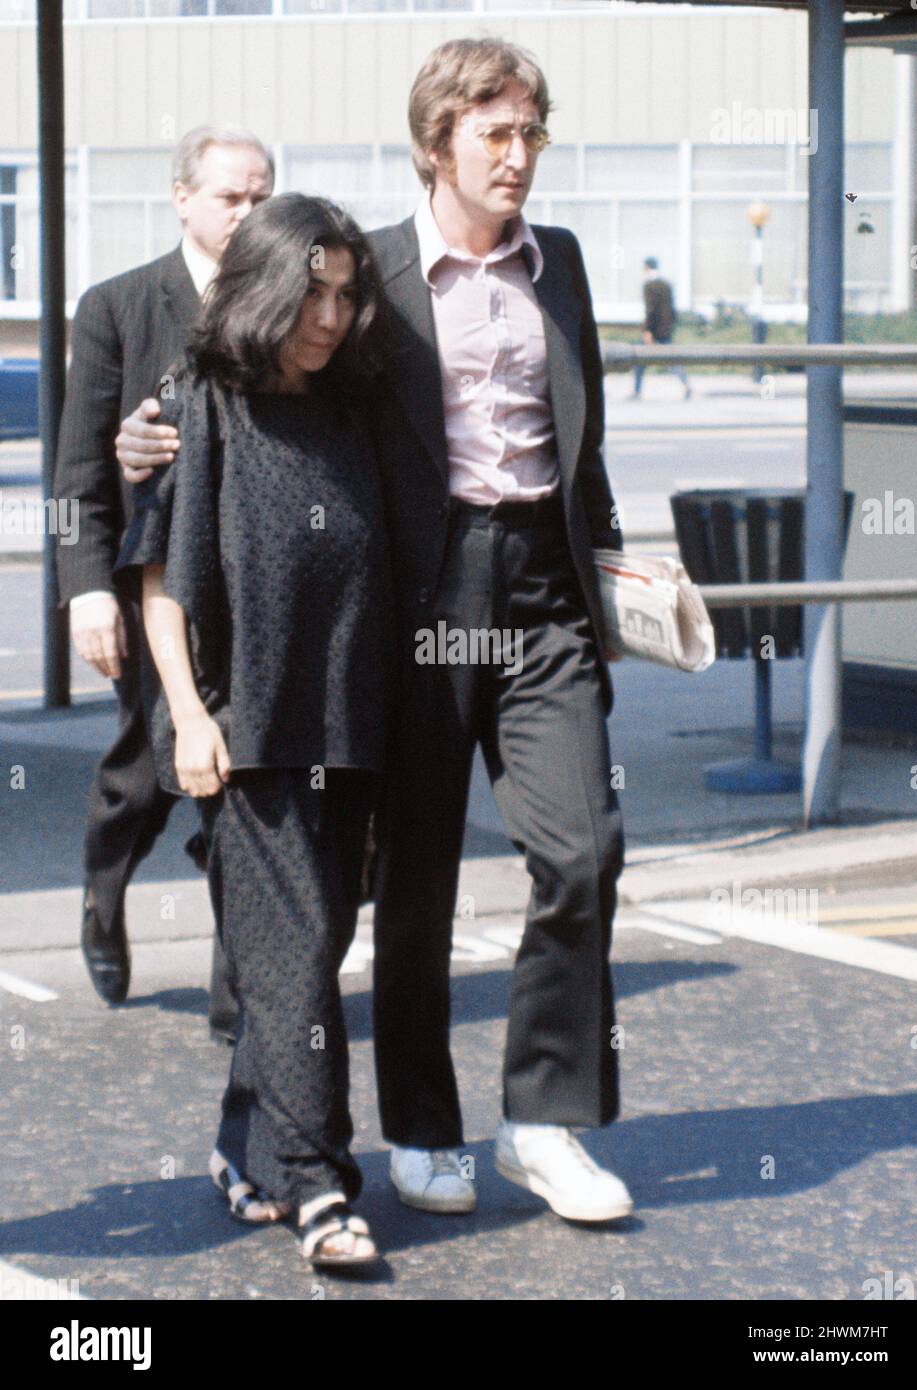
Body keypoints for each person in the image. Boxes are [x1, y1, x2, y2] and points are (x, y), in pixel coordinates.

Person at [116, 36, 634, 1227]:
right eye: (494, 135)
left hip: (544, 597)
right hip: (419, 593)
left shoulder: (561, 269)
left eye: (531, 135)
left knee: (583, 852)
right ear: (434, 145)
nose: (518, 158)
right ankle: (421, 1122)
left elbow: (581, 439)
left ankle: (545, 1120)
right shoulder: (374, 277)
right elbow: (250, 364)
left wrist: (609, 573)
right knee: (417, 875)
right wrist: (151, 431)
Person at [115, 193, 391, 1269]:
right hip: (245, 723)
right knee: (296, 961)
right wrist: (187, 716)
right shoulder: (201, 403)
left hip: (349, 725)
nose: (327, 315)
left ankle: (245, 1145)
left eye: (343, 294)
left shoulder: (353, 406)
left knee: (307, 946)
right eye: (309, 292)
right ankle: (324, 1190)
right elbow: (161, 584)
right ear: (266, 287)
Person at [54, 126, 273, 1038]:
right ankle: (104, 892)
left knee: (245, 781)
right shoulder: (116, 307)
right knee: (146, 777)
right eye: (233, 197)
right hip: (157, 586)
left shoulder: (292, 304)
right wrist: (84, 586)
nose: (251, 213)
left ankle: (238, 989)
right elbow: (76, 470)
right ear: (182, 198)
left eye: (265, 196)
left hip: (260, 588)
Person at [633, 255, 692, 400]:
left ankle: (637, 391)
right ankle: (686, 385)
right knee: (671, 359)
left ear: (647, 268)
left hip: (653, 330)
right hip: (665, 329)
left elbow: (650, 310)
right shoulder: (667, 285)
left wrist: (647, 330)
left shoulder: (648, 286)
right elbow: (672, 309)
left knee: (639, 360)